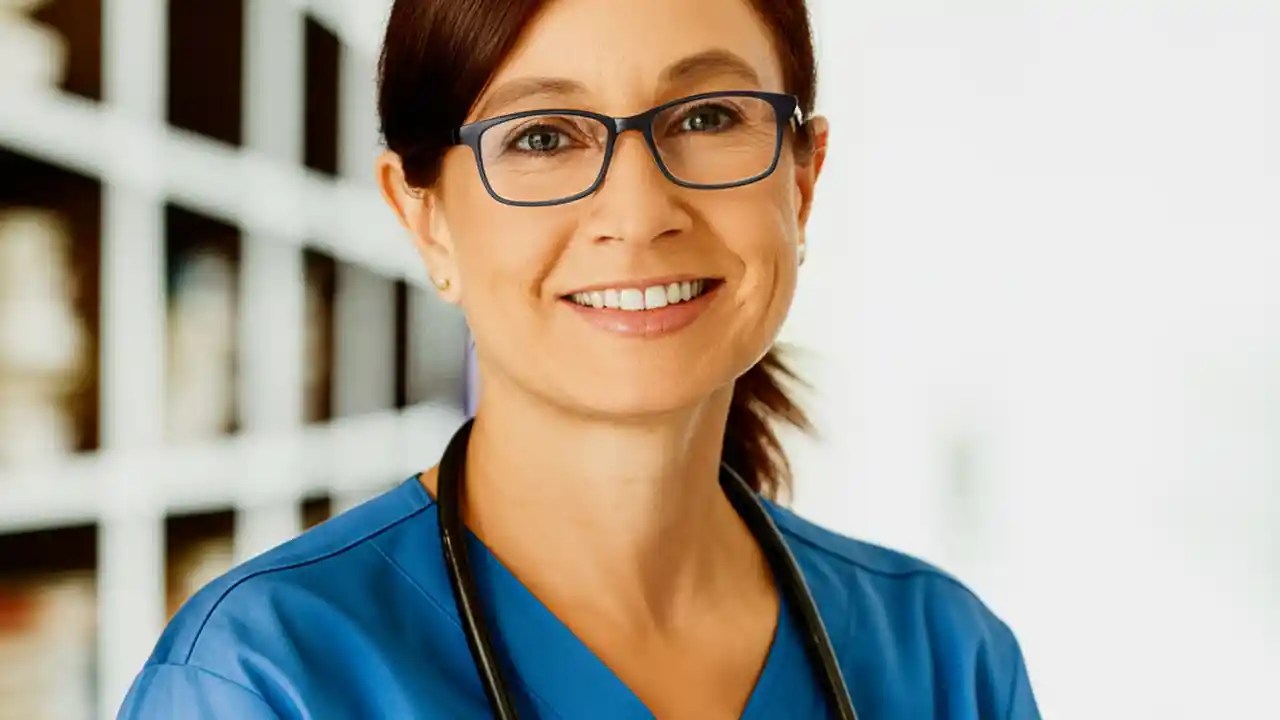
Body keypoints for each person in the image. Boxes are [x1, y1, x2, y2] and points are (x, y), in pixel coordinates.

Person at [118, 0, 1042, 717]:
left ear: (802, 179)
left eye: (710, 116)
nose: (640, 214)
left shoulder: (944, 658)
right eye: (542, 138)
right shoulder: (263, 679)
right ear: (424, 217)